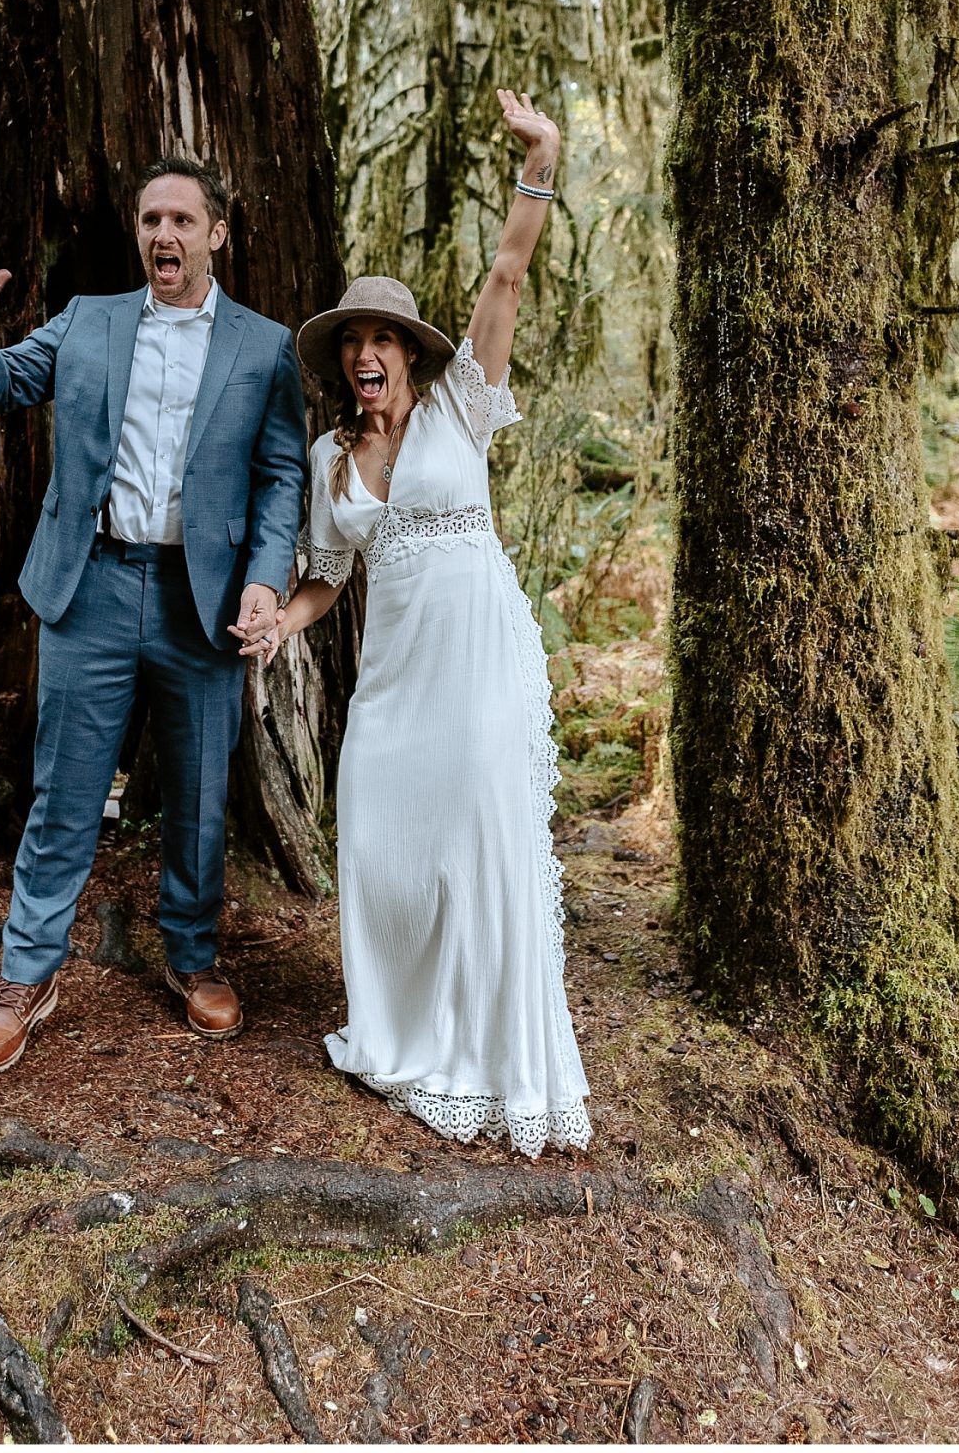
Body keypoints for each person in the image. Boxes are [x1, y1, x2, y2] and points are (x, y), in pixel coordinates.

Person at [236, 91, 592, 1158]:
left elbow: (505, 275)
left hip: (479, 661)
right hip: (391, 683)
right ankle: (407, 1033)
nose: (368, 353)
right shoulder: (325, 461)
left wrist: (541, 158)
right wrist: (278, 624)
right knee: (388, 848)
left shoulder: (459, 405)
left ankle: (497, 1058)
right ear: (341, 359)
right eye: (355, 340)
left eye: (385, 336)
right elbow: (326, 579)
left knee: (481, 846)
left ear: (410, 353)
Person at [0, 156, 307, 1073]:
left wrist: (263, 578)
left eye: (181, 220)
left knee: (201, 799)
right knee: (65, 793)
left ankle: (192, 956)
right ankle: (25, 976)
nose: (163, 235)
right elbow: (0, 385)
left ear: (217, 234)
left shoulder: (264, 346)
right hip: (88, 591)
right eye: (149, 219)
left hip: (201, 605)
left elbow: (280, 473)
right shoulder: (88, 321)